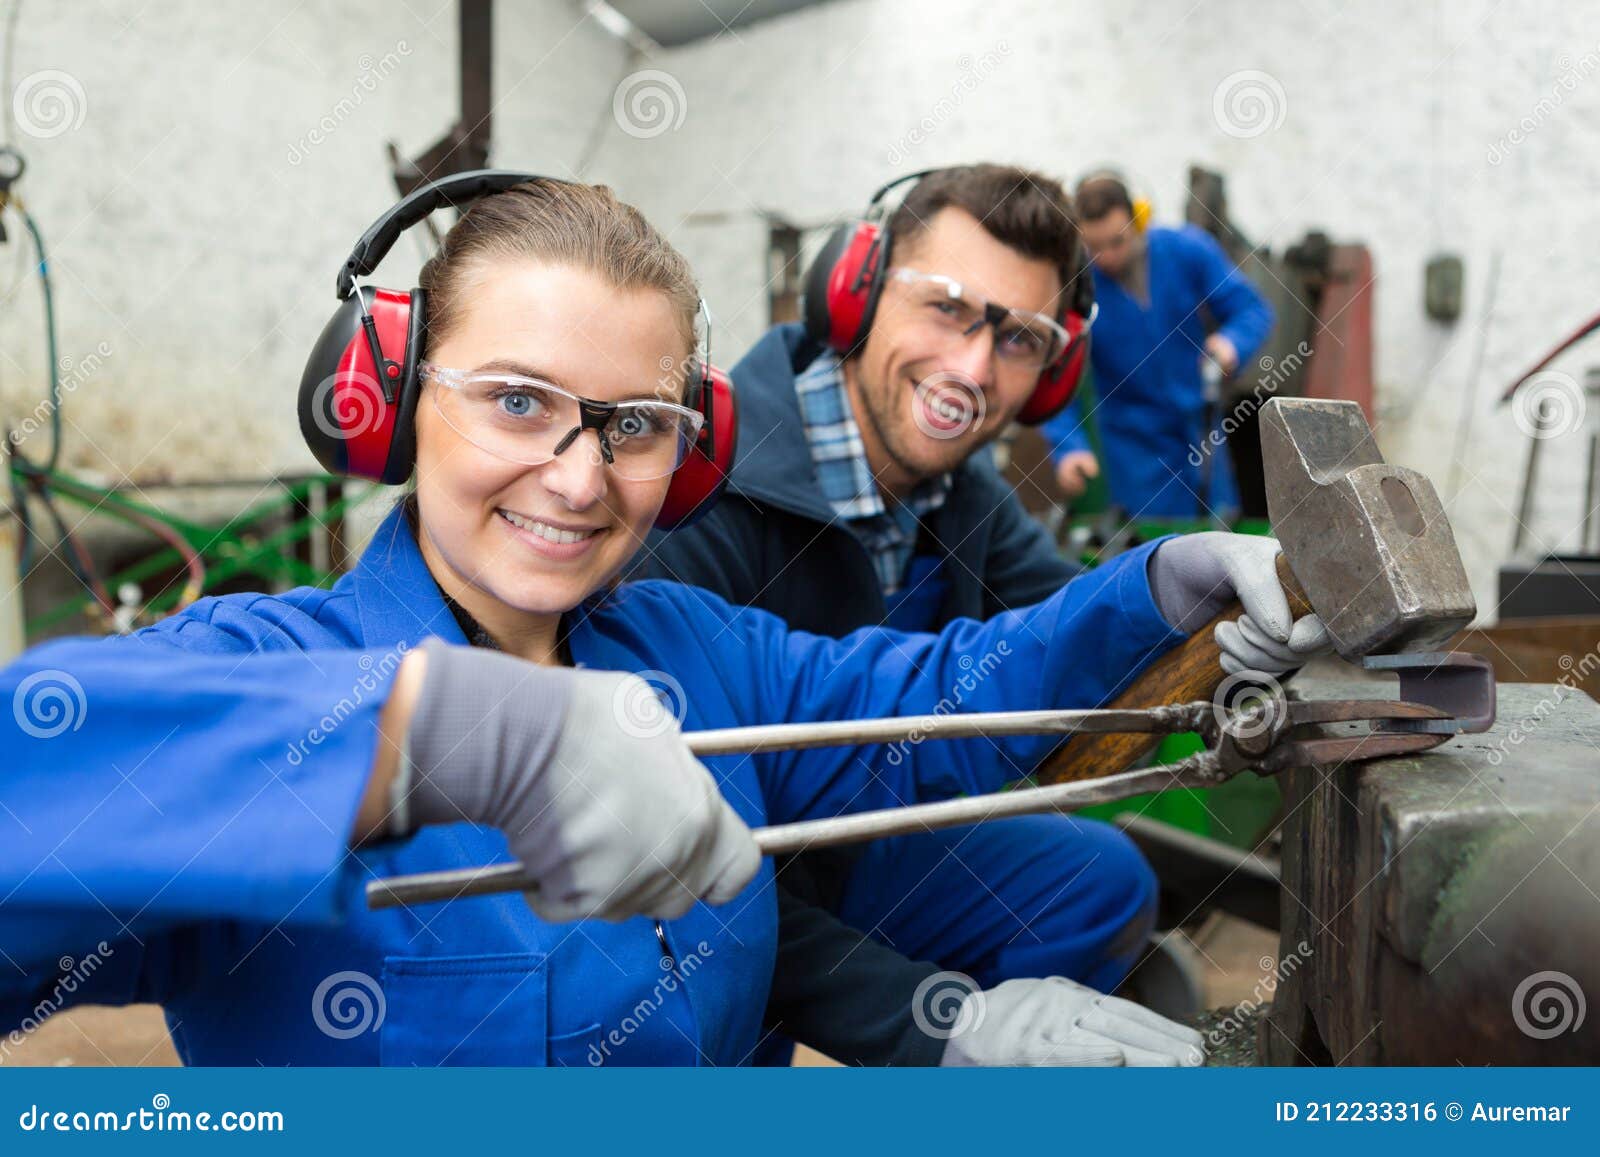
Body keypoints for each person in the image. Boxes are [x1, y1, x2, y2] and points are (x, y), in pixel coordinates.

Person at [0, 175, 1312, 1067]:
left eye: (632, 424)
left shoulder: (697, 648)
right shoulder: (263, 675)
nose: (577, 477)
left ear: (690, 452)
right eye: (517, 399)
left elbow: (939, 697)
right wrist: (428, 740)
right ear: (394, 398)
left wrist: (1153, 592)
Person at [638, 165, 1327, 1064]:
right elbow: (670, 878)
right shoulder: (697, 493)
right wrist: (931, 1018)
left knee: (1099, 879)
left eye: (1018, 338)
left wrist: (1187, 607)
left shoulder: (960, 488)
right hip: (719, 882)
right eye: (947, 306)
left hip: (860, 847)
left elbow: (1053, 628)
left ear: (1054, 372)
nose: (970, 368)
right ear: (852, 294)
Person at [1042, 171, 1274, 518]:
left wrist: (1232, 343)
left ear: (1140, 221)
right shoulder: (1077, 285)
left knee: (1220, 545)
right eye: (1094, 246)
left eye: (1116, 242)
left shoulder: (1187, 251)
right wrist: (1068, 447)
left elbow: (1251, 309)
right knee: (1154, 553)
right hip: (1135, 448)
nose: (1105, 256)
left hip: (1201, 431)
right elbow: (1056, 372)